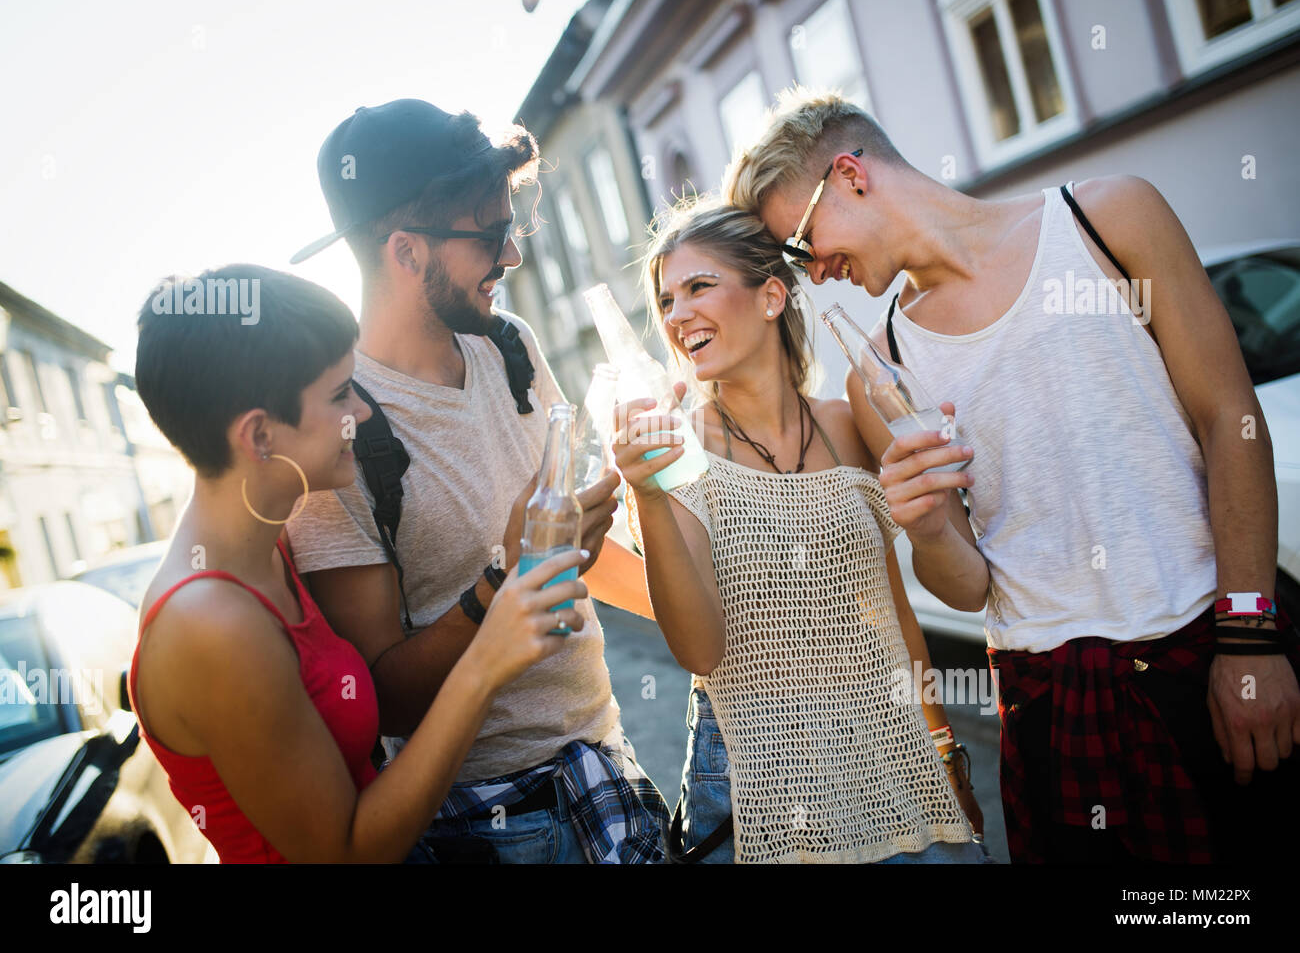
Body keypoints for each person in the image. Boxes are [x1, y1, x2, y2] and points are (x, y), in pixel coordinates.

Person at [725, 87, 1300, 863]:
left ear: (852, 175)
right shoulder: (881, 370)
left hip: (1199, 657)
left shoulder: (1108, 219)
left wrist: (1251, 642)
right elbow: (967, 587)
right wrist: (925, 523)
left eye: (802, 241)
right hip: (1047, 702)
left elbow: (1231, 424)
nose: (815, 273)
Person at [285, 99, 666, 863]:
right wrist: (504, 575)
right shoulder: (334, 430)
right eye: (492, 235)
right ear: (406, 252)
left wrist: (717, 609)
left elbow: (568, 564)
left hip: (605, 761)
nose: (513, 258)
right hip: (484, 822)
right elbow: (385, 696)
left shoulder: (510, 347)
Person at [130, 264, 589, 863]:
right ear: (260, 436)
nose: (364, 412)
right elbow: (345, 852)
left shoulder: (267, 550)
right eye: (340, 394)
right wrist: (486, 661)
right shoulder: (211, 622)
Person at [613, 200, 989, 863]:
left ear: (771, 296)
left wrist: (944, 748)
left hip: (888, 751)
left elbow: (896, 614)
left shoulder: (849, 421)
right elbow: (699, 651)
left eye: (698, 287)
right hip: (757, 775)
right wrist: (647, 492)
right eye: (666, 300)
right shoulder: (679, 450)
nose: (675, 316)